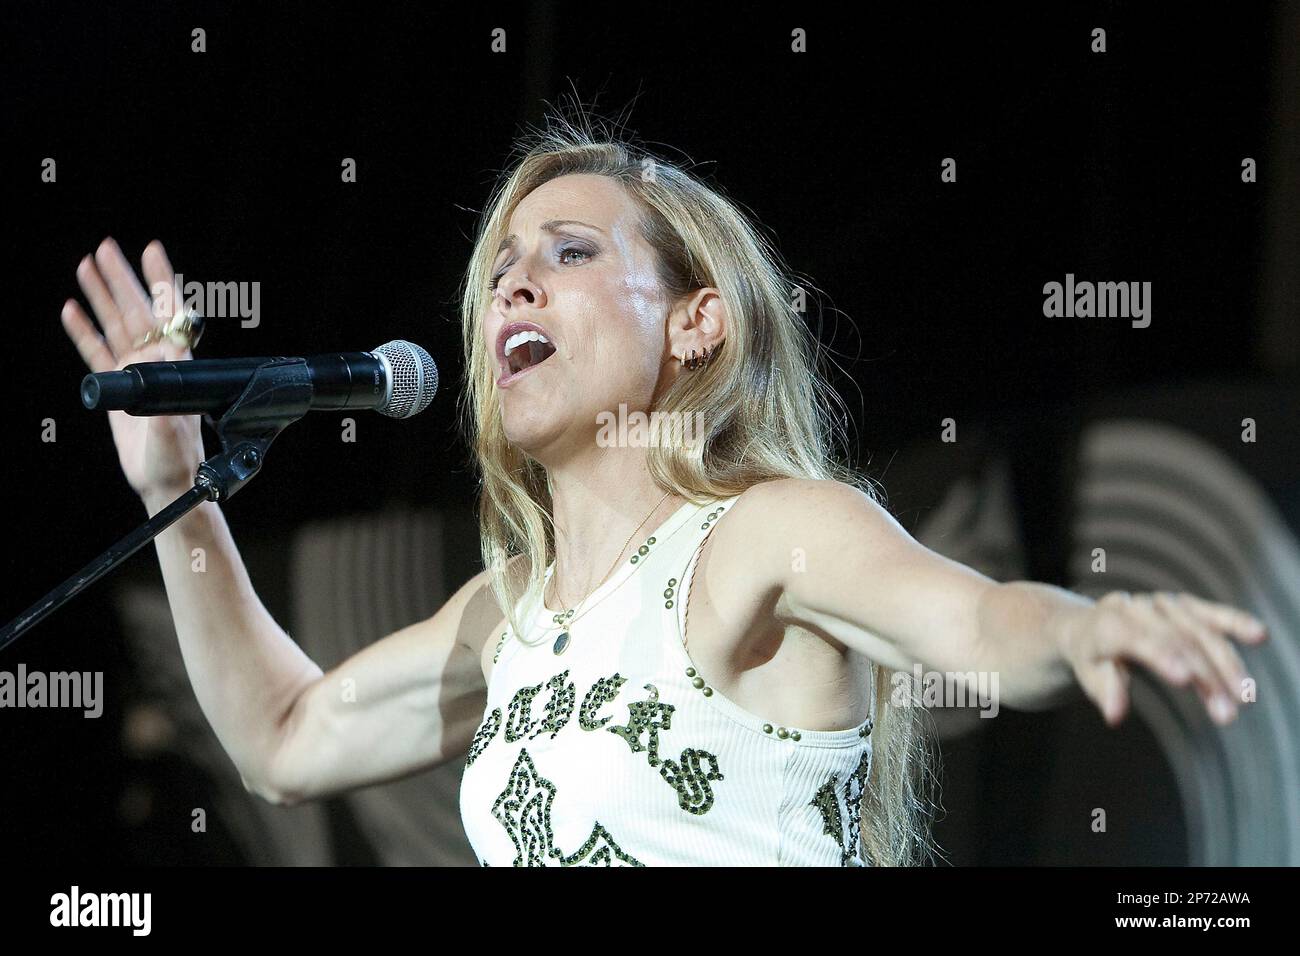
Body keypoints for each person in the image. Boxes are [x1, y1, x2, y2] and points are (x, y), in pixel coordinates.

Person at [59, 112, 1269, 867]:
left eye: (569, 253)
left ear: (696, 322)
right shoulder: (507, 614)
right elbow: (281, 738)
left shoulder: (762, 533)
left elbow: (978, 623)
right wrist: (179, 489)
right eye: (501, 271)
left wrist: (1087, 620)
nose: (513, 288)